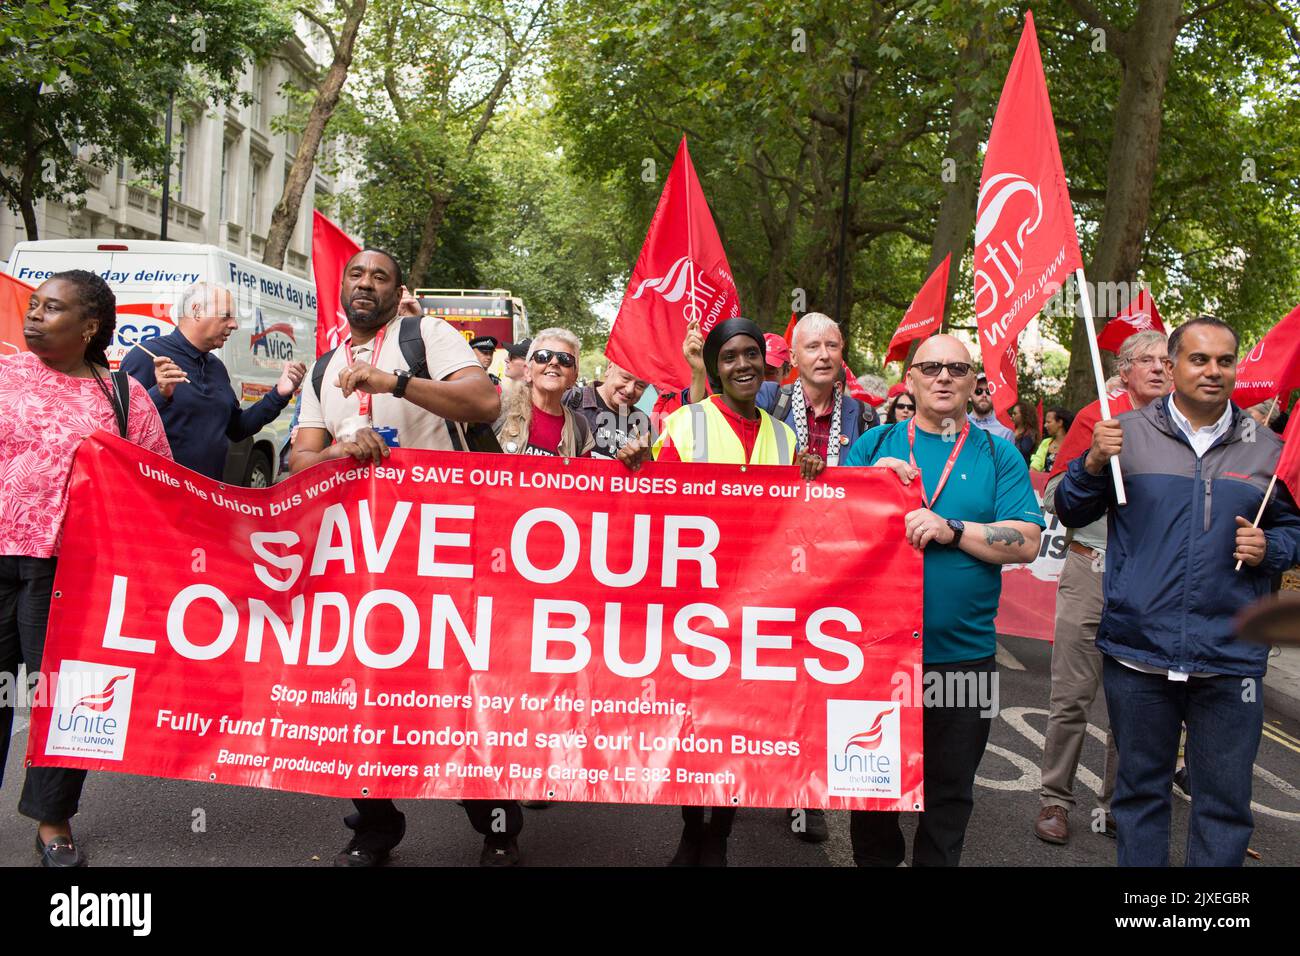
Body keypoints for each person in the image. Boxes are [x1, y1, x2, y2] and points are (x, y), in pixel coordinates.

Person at [288, 248, 508, 866]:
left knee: (457, 689)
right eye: (355, 274)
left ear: (398, 290)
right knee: (364, 693)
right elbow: (299, 460)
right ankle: (376, 827)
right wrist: (336, 453)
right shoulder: (325, 366)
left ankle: (495, 822)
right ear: (342, 289)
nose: (365, 284)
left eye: (379, 276)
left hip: (447, 548)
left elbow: (483, 403)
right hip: (361, 557)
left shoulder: (425, 336)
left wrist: (394, 383)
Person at [1055, 317, 1300, 866]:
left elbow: (1294, 531)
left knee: (1224, 805)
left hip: (1230, 655)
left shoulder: (1270, 451)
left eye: (1224, 360)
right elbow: (1069, 510)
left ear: (1236, 368)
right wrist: (1093, 463)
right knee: (1139, 798)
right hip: (1139, 653)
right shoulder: (1124, 434)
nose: (1213, 371)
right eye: (1199, 359)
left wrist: (1274, 549)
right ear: (1171, 367)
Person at [618, 317, 824, 866]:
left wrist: (812, 475)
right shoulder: (685, 423)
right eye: (730, 356)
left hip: (763, 603)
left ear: (767, 363)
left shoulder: (786, 437)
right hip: (697, 603)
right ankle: (691, 829)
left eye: (752, 354)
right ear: (715, 367)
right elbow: (653, 506)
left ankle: (720, 835)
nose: (743, 365)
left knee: (744, 721)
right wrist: (639, 467)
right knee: (697, 719)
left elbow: (800, 518)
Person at [843, 334, 1044, 866]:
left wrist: (953, 528)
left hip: (963, 657)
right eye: (930, 367)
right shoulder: (875, 445)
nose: (943, 377)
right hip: (872, 655)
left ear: (973, 380)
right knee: (871, 795)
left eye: (957, 368)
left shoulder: (998, 453)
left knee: (949, 797)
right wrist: (869, 485)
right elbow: (828, 528)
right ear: (910, 379)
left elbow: (1025, 540)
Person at [1, 270, 172, 867]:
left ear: (90, 327)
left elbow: (159, 483)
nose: (36, 315)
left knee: (64, 699)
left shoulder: (124, 395)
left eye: (52, 308)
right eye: (36, 305)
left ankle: (53, 822)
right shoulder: (5, 374)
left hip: (74, 573)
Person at [1032, 329, 1167, 845]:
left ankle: (1117, 804)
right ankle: (1055, 800)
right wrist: (1093, 461)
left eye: (1166, 360)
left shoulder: (1183, 426)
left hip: (1150, 578)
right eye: (1146, 360)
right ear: (1125, 370)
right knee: (1072, 695)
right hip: (1092, 567)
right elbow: (1055, 499)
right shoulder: (1098, 415)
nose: (1159, 368)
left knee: (1134, 699)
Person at [120, 282, 305, 480]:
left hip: (207, 498)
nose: (234, 325)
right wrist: (159, 393)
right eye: (226, 316)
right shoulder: (146, 357)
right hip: (157, 496)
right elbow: (122, 428)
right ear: (196, 311)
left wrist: (279, 394)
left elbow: (237, 428)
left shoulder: (216, 367)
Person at [754, 312, 877, 469]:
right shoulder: (769, 399)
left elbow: (870, 482)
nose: (824, 355)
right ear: (793, 357)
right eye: (813, 347)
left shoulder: (865, 417)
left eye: (832, 345)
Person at [496, 329, 595, 457]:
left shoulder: (580, 429)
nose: (554, 362)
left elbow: (585, 476)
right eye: (542, 356)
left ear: (574, 378)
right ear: (527, 371)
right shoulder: (498, 410)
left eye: (565, 359)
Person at [562, 360, 652, 458]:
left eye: (640, 386)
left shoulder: (642, 423)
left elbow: (648, 469)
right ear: (609, 368)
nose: (630, 390)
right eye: (625, 378)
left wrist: (641, 461)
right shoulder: (569, 400)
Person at [969, 372, 1015, 441]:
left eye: (989, 391)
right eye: (978, 391)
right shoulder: (959, 424)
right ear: (969, 396)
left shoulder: (1006, 431)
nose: (984, 395)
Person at [1030, 407, 1072, 472]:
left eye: (1048, 422)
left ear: (1060, 423)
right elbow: (1036, 464)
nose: (1045, 425)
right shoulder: (1046, 442)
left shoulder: (1072, 444)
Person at [1009, 400, 1039, 464]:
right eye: (1012, 414)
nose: (1012, 416)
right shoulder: (1011, 430)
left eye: (1015, 413)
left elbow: (1023, 451)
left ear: (1023, 415)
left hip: (1021, 467)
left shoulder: (1030, 433)